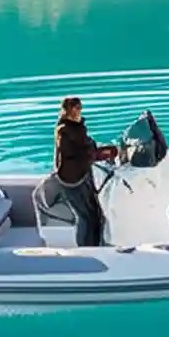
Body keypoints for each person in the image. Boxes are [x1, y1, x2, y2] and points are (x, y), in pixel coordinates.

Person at [54, 97, 118, 246]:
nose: (78, 111)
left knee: (94, 214)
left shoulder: (76, 127)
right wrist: (98, 154)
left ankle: (95, 244)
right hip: (73, 180)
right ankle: (87, 249)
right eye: (74, 108)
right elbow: (74, 155)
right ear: (66, 111)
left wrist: (100, 152)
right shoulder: (65, 131)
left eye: (79, 108)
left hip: (82, 174)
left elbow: (85, 149)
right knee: (85, 217)